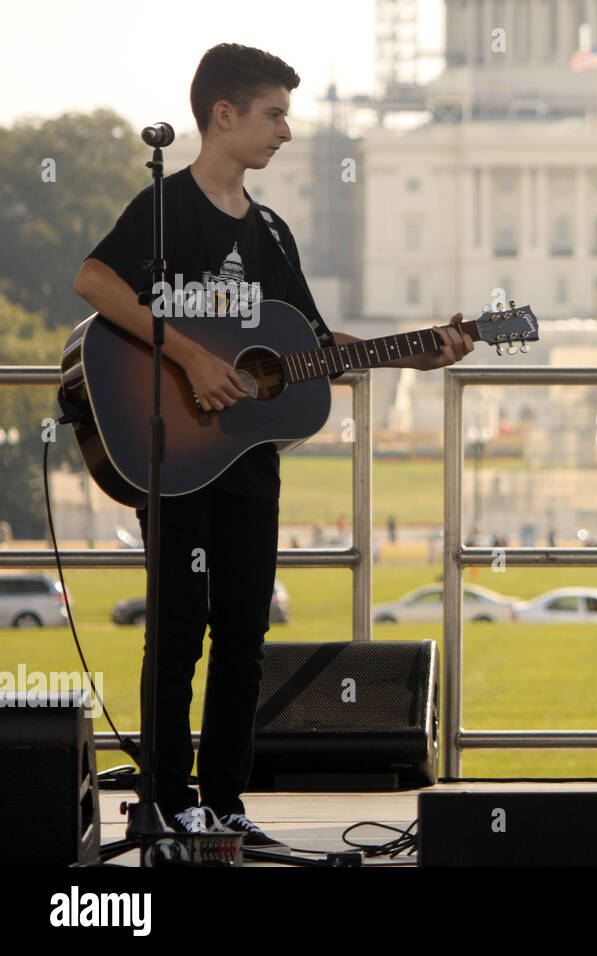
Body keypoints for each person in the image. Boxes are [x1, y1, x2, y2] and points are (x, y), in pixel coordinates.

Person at [72, 43, 473, 844]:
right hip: (174, 456)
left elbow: (312, 343)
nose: (287, 132)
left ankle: (223, 803)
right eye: (275, 114)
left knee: (245, 634)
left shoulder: (274, 233)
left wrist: (410, 348)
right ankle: (161, 800)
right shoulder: (164, 208)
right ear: (224, 116)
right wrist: (188, 355)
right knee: (178, 630)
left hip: (247, 461)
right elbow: (93, 282)